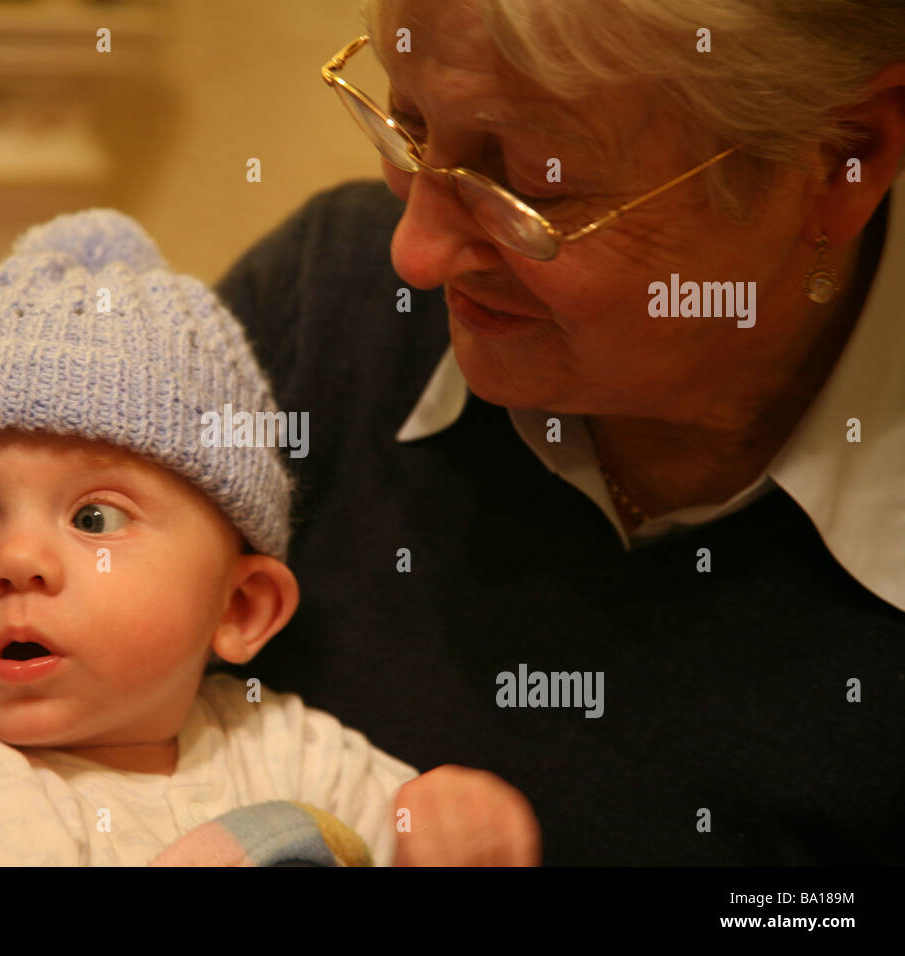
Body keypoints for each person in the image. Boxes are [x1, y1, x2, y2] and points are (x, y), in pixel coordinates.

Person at [211, 0, 905, 864]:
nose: (415, 255)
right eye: (410, 125)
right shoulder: (323, 313)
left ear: (845, 156)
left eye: (534, 184)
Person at [0, 209, 539, 867]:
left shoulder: (282, 744)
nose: (16, 562)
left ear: (240, 607)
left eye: (93, 517)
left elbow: (398, 829)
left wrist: (448, 822)